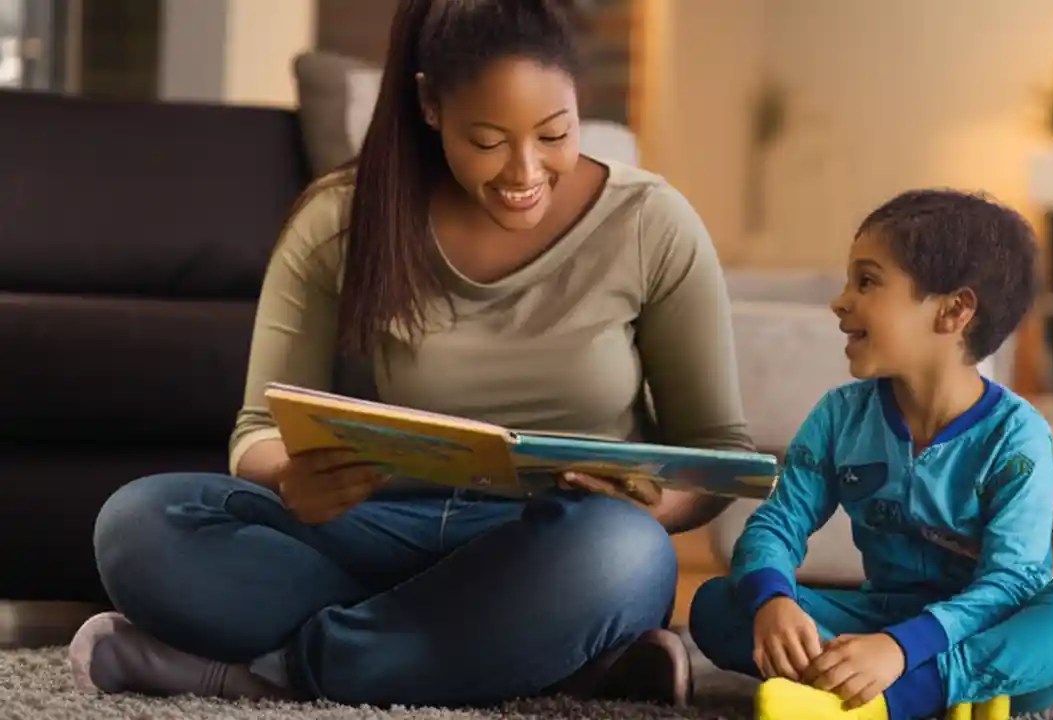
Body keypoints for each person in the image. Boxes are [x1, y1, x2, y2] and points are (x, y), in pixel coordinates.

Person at [68, 0, 754, 709]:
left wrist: (655, 504)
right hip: (371, 533)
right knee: (141, 524)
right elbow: (256, 432)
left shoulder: (651, 223)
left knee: (622, 557)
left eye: (555, 133)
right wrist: (294, 474)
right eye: (487, 140)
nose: (526, 170)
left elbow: (714, 452)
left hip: (553, 545)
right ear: (430, 105)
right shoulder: (339, 218)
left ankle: (263, 674)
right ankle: (540, 658)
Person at [688, 189, 1053, 720]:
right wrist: (774, 603)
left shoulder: (1018, 437)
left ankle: (888, 700)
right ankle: (865, 686)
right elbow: (777, 525)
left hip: (990, 647)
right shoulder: (839, 416)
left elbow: (1011, 583)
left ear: (952, 311)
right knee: (717, 605)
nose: (840, 300)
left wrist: (903, 651)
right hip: (876, 622)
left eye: (867, 281)